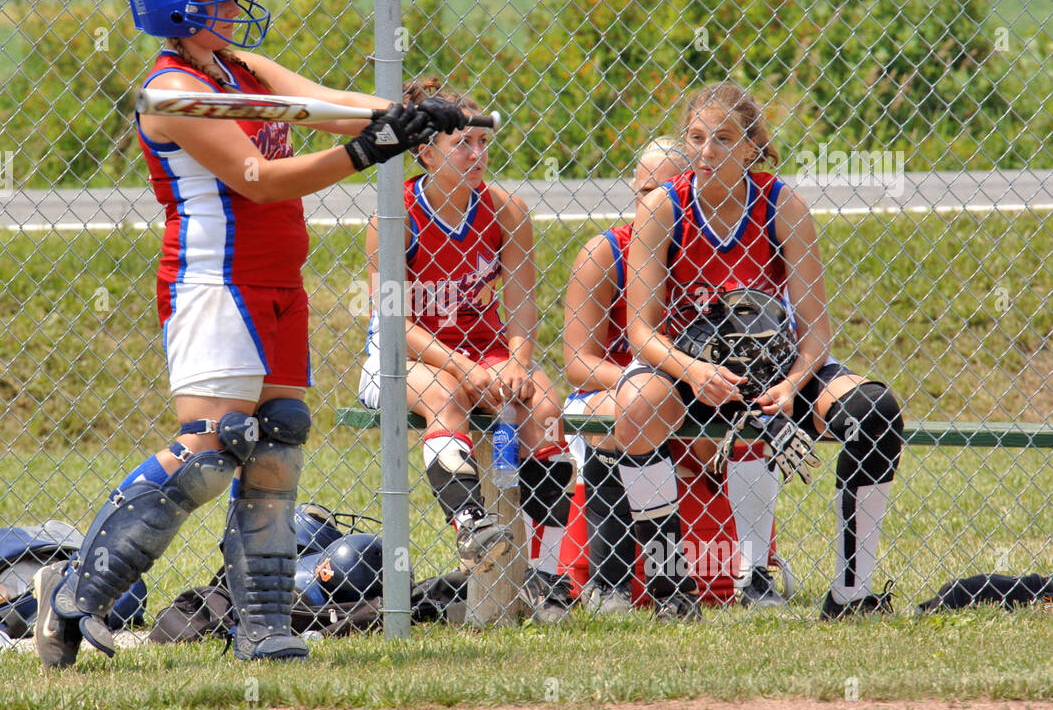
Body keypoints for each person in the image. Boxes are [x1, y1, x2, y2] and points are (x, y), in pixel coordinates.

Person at [33, 0, 462, 668]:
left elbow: (325, 105)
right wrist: (368, 151)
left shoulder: (238, 67)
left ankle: (262, 627)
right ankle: (76, 591)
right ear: (181, 12)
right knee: (212, 450)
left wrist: (404, 115)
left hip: (277, 284)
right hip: (214, 283)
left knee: (277, 444)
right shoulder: (172, 93)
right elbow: (260, 177)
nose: (237, 4)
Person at [616, 83, 904, 620]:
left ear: (751, 147)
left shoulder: (781, 204)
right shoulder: (664, 207)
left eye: (723, 139)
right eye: (697, 137)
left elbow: (816, 329)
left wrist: (793, 384)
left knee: (875, 414)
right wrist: (694, 370)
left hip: (775, 371)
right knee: (635, 408)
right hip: (692, 368)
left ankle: (851, 594)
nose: (706, 151)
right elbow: (641, 333)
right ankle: (670, 588)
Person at [357, 76, 577, 623]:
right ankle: (473, 529)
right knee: (445, 395)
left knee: (546, 411)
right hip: (405, 356)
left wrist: (519, 365)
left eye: (482, 143)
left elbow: (523, 305)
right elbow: (392, 321)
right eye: (463, 144)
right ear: (426, 152)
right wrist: (461, 366)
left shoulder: (506, 211)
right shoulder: (395, 215)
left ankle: (546, 580)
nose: (477, 154)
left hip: (487, 351)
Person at [563, 137, 785, 614]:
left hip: (685, 394)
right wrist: (642, 382)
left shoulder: (700, 251)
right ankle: (613, 582)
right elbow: (577, 363)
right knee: (633, 410)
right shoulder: (607, 253)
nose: (653, 201)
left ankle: (752, 573)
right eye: (644, 190)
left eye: (663, 189)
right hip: (608, 391)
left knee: (741, 420)